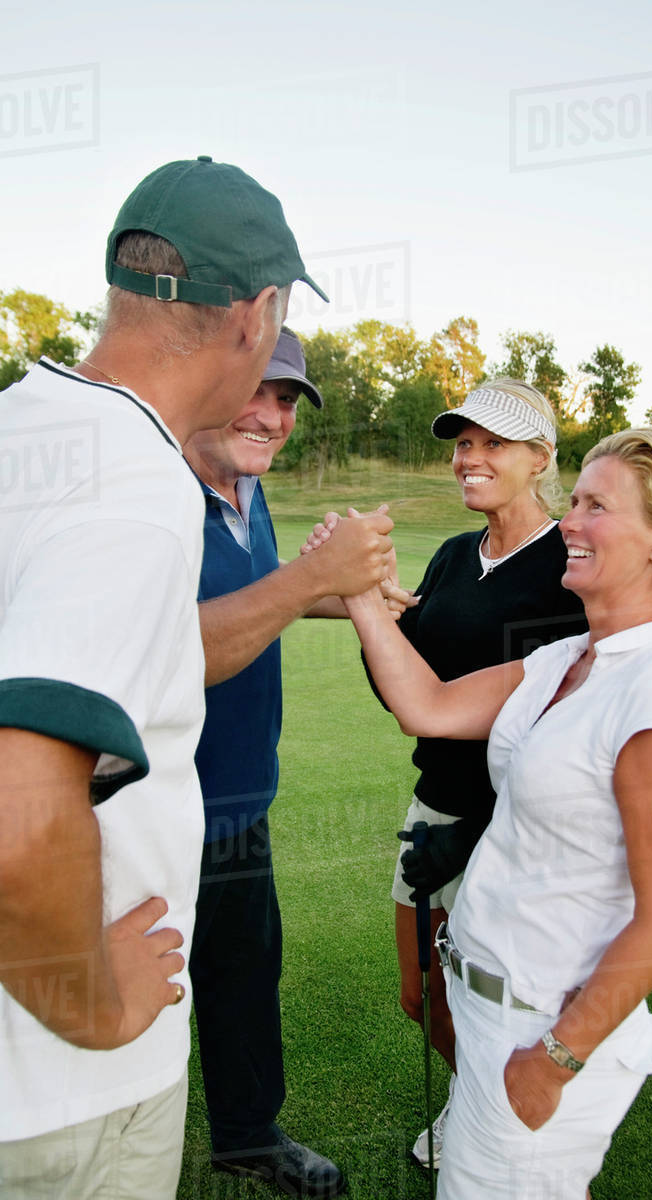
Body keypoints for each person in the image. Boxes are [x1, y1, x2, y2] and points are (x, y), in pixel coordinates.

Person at [0, 155, 383, 1200]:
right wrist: (96, 1007)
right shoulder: (135, 480)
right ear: (257, 313)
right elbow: (19, 813)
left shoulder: (26, 423)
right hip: (63, 1089)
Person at [341, 428, 652, 1200]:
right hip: (486, 1014)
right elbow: (428, 705)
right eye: (575, 501)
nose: (570, 522)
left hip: (539, 1033)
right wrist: (360, 595)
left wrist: (554, 1061)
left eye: (597, 507)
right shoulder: (567, 659)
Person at [183, 327, 399, 1198]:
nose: (272, 417)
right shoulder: (153, 491)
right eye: (258, 390)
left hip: (241, 794)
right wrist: (314, 580)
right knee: (132, 992)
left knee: (242, 975)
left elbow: (254, 595)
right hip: (150, 806)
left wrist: (356, 596)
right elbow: (172, 647)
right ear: (211, 375)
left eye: (286, 401)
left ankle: (246, 1135)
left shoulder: (248, 486)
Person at [358, 379, 588, 1165]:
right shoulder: (455, 556)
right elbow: (410, 692)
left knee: (505, 1010)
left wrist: (483, 832)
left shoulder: (570, 567)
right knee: (422, 997)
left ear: (540, 459)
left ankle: (501, 1131)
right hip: (437, 808)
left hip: (520, 828)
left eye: (494, 444)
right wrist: (375, 613)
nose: (470, 458)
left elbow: (563, 729)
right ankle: (477, 1101)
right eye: (463, 443)